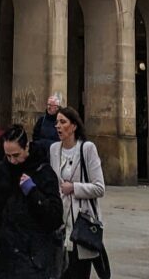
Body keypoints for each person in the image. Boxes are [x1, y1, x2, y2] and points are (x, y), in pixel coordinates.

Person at [0, 124, 64, 279]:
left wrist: (33, 192)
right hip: (5, 253)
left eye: (16, 155)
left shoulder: (43, 172)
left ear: (27, 147)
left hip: (33, 255)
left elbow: (55, 216)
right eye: (8, 156)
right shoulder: (3, 170)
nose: (12, 161)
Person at [50, 105, 106, 276]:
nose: (58, 126)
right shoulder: (54, 149)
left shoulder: (87, 149)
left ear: (73, 126)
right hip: (59, 224)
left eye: (63, 122)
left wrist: (74, 187)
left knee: (78, 272)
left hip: (80, 226)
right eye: (57, 122)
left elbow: (99, 187)